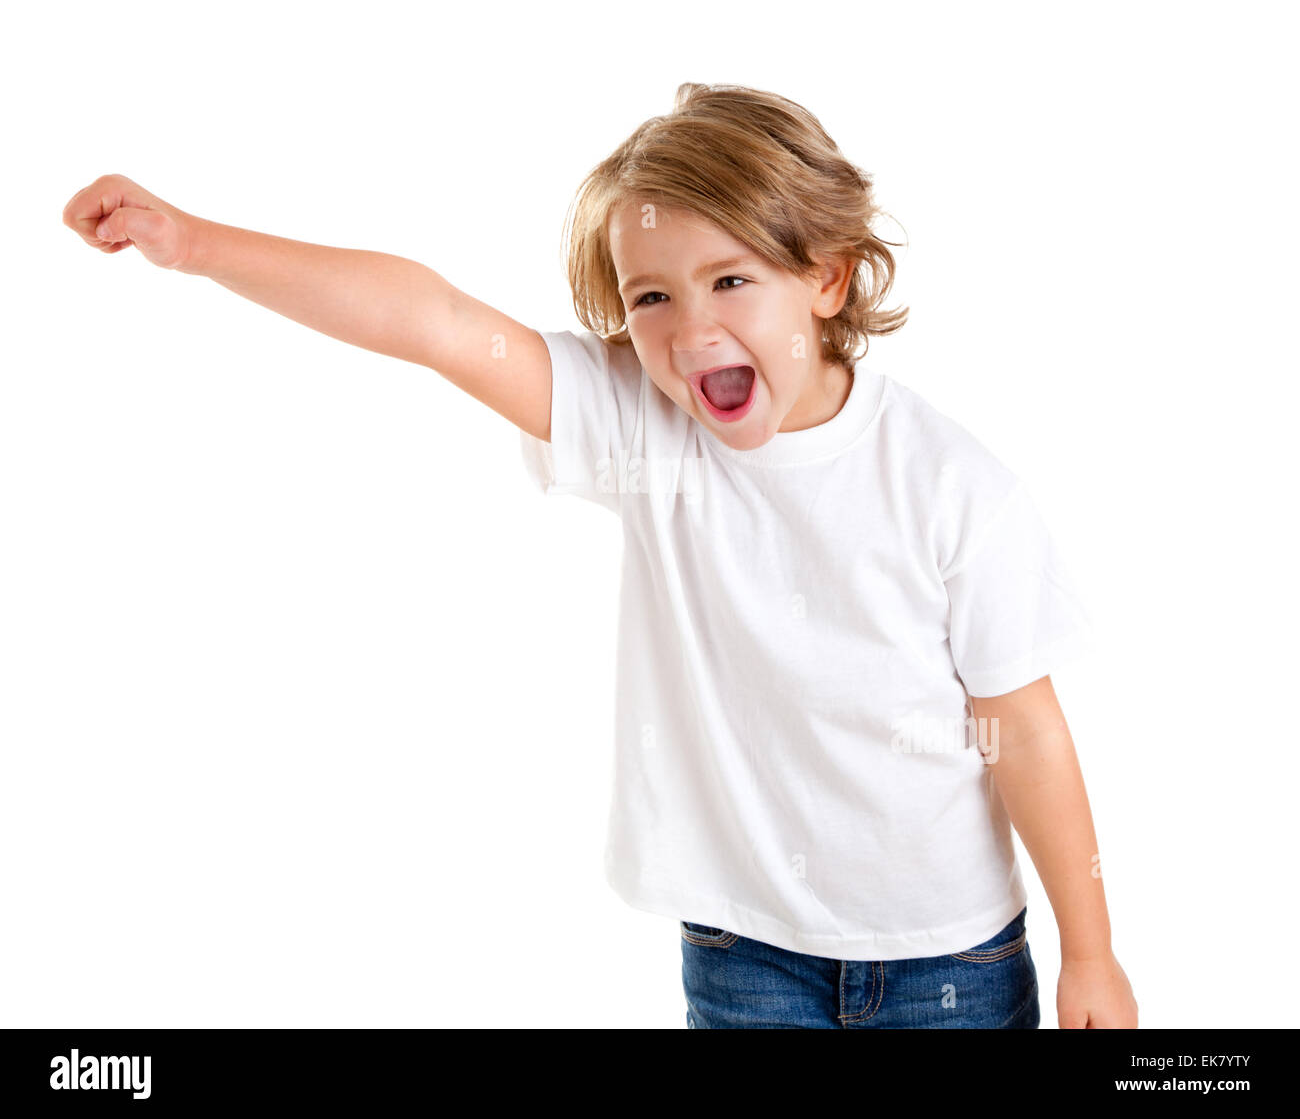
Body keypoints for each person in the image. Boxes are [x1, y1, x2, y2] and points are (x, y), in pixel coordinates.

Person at [62, 81, 1137, 1029]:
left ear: (828, 278)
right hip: (744, 951)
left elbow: (1026, 730)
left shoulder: (953, 488)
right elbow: (431, 318)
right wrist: (192, 242)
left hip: (947, 961)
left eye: (730, 281)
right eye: (650, 297)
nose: (686, 329)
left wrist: (1088, 951)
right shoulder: (639, 424)